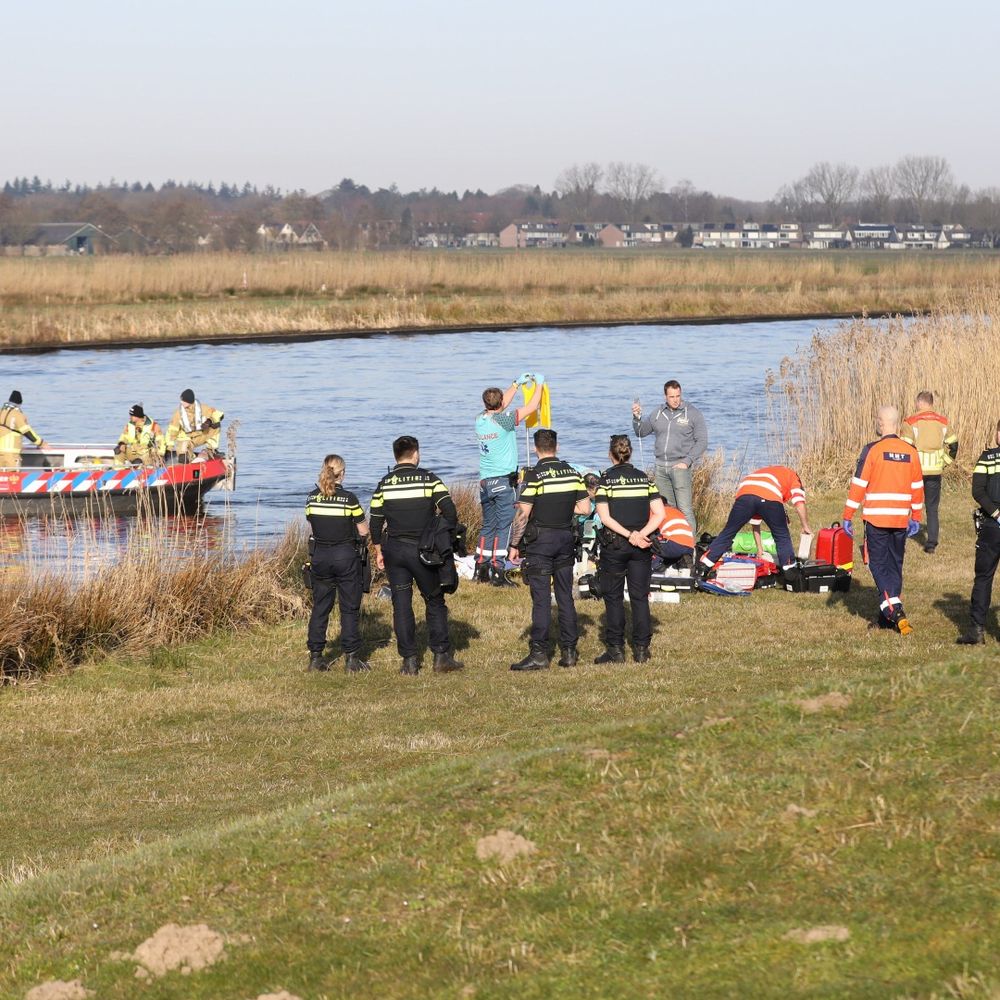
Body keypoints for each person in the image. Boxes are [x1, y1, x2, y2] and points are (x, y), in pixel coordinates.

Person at [369, 435, 463, 675]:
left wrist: (379, 551)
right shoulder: (429, 479)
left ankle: (409, 661)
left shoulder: (384, 484)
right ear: (416, 454)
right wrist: (440, 535)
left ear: (395, 456)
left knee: (401, 604)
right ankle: (441, 657)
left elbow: (375, 523)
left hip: (394, 550)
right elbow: (450, 513)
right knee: (434, 600)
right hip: (424, 551)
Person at [508, 429, 591, 671]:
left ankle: (539, 654)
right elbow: (585, 509)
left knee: (542, 600)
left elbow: (522, 514)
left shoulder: (534, 476)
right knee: (565, 596)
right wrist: (562, 508)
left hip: (541, 542)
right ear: (557, 446)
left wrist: (514, 545)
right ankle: (569, 651)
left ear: (535, 449)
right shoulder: (573, 473)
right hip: (565, 540)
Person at [842, 406, 924, 635]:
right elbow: (917, 486)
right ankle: (885, 618)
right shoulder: (911, 451)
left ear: (880, 422)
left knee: (877, 565)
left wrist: (847, 515)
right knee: (894, 565)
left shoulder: (872, 450)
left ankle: (894, 611)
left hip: (877, 519)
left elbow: (859, 485)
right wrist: (916, 516)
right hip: (900, 519)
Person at [593, 434, 665, 664]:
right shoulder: (644, 479)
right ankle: (642, 649)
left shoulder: (606, 481)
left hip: (615, 545)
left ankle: (616, 649)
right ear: (629, 453)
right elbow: (660, 514)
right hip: (641, 546)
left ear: (610, 454)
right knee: (639, 596)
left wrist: (629, 535)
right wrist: (641, 535)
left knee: (613, 597)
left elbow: (605, 518)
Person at [474, 375, 543, 586]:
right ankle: (498, 570)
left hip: (485, 483)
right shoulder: (504, 421)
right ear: (501, 403)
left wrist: (516, 384)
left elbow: (500, 403)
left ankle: (481, 567)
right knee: (504, 527)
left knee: (488, 525)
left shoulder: (480, 419)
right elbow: (532, 406)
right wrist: (539, 384)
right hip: (503, 482)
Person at [305, 454, 370, 673]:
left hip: (320, 556)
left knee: (320, 607)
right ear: (342, 474)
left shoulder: (311, 498)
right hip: (345, 556)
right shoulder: (349, 499)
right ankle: (351, 659)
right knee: (349, 608)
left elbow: (312, 523)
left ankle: (315, 657)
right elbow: (364, 531)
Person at [697, 465, 812, 578]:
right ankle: (790, 572)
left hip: (744, 495)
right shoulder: (793, 476)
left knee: (727, 533)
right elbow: (799, 502)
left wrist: (759, 548)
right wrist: (805, 526)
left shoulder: (763, 472)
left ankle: (702, 568)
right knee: (782, 536)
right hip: (769, 496)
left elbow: (755, 522)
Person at [632, 379, 707, 536]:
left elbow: (702, 442)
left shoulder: (692, 413)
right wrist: (637, 418)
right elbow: (641, 432)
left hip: (680, 468)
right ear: (665, 396)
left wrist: (687, 462)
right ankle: (671, 541)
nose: (675, 400)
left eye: (678, 396)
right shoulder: (658, 413)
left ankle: (690, 545)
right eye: (672, 396)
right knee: (666, 509)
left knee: (685, 509)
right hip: (660, 469)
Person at [956, 421, 1000, 645]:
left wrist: (996, 513)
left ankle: (977, 631)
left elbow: (978, 491)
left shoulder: (987, 458)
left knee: (983, 577)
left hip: (992, 525)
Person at [900, 391, 958, 554]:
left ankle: (901, 538)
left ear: (920, 403)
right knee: (932, 508)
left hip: (915, 472)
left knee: (907, 505)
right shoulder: (943, 422)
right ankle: (931, 543)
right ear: (931, 403)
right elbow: (954, 446)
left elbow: (905, 448)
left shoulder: (910, 422)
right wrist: (945, 462)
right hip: (935, 471)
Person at [165, 388, 224, 460]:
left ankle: (212, 450)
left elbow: (219, 414)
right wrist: (169, 448)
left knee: (216, 425)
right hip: (186, 439)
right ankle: (192, 457)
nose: (181, 402)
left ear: (189, 401)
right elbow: (172, 431)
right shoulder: (178, 413)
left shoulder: (203, 408)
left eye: (183, 400)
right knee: (183, 458)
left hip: (202, 435)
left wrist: (209, 422)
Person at [0, 391, 45, 468]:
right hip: (11, 453)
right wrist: (41, 443)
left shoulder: (1, 412)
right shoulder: (17, 415)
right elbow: (27, 432)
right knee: (13, 474)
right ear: (20, 403)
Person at [652, 504, 695, 569]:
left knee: (647, 542)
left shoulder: (656, 511)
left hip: (673, 544)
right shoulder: (677, 512)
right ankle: (676, 563)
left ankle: (656, 565)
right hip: (690, 546)